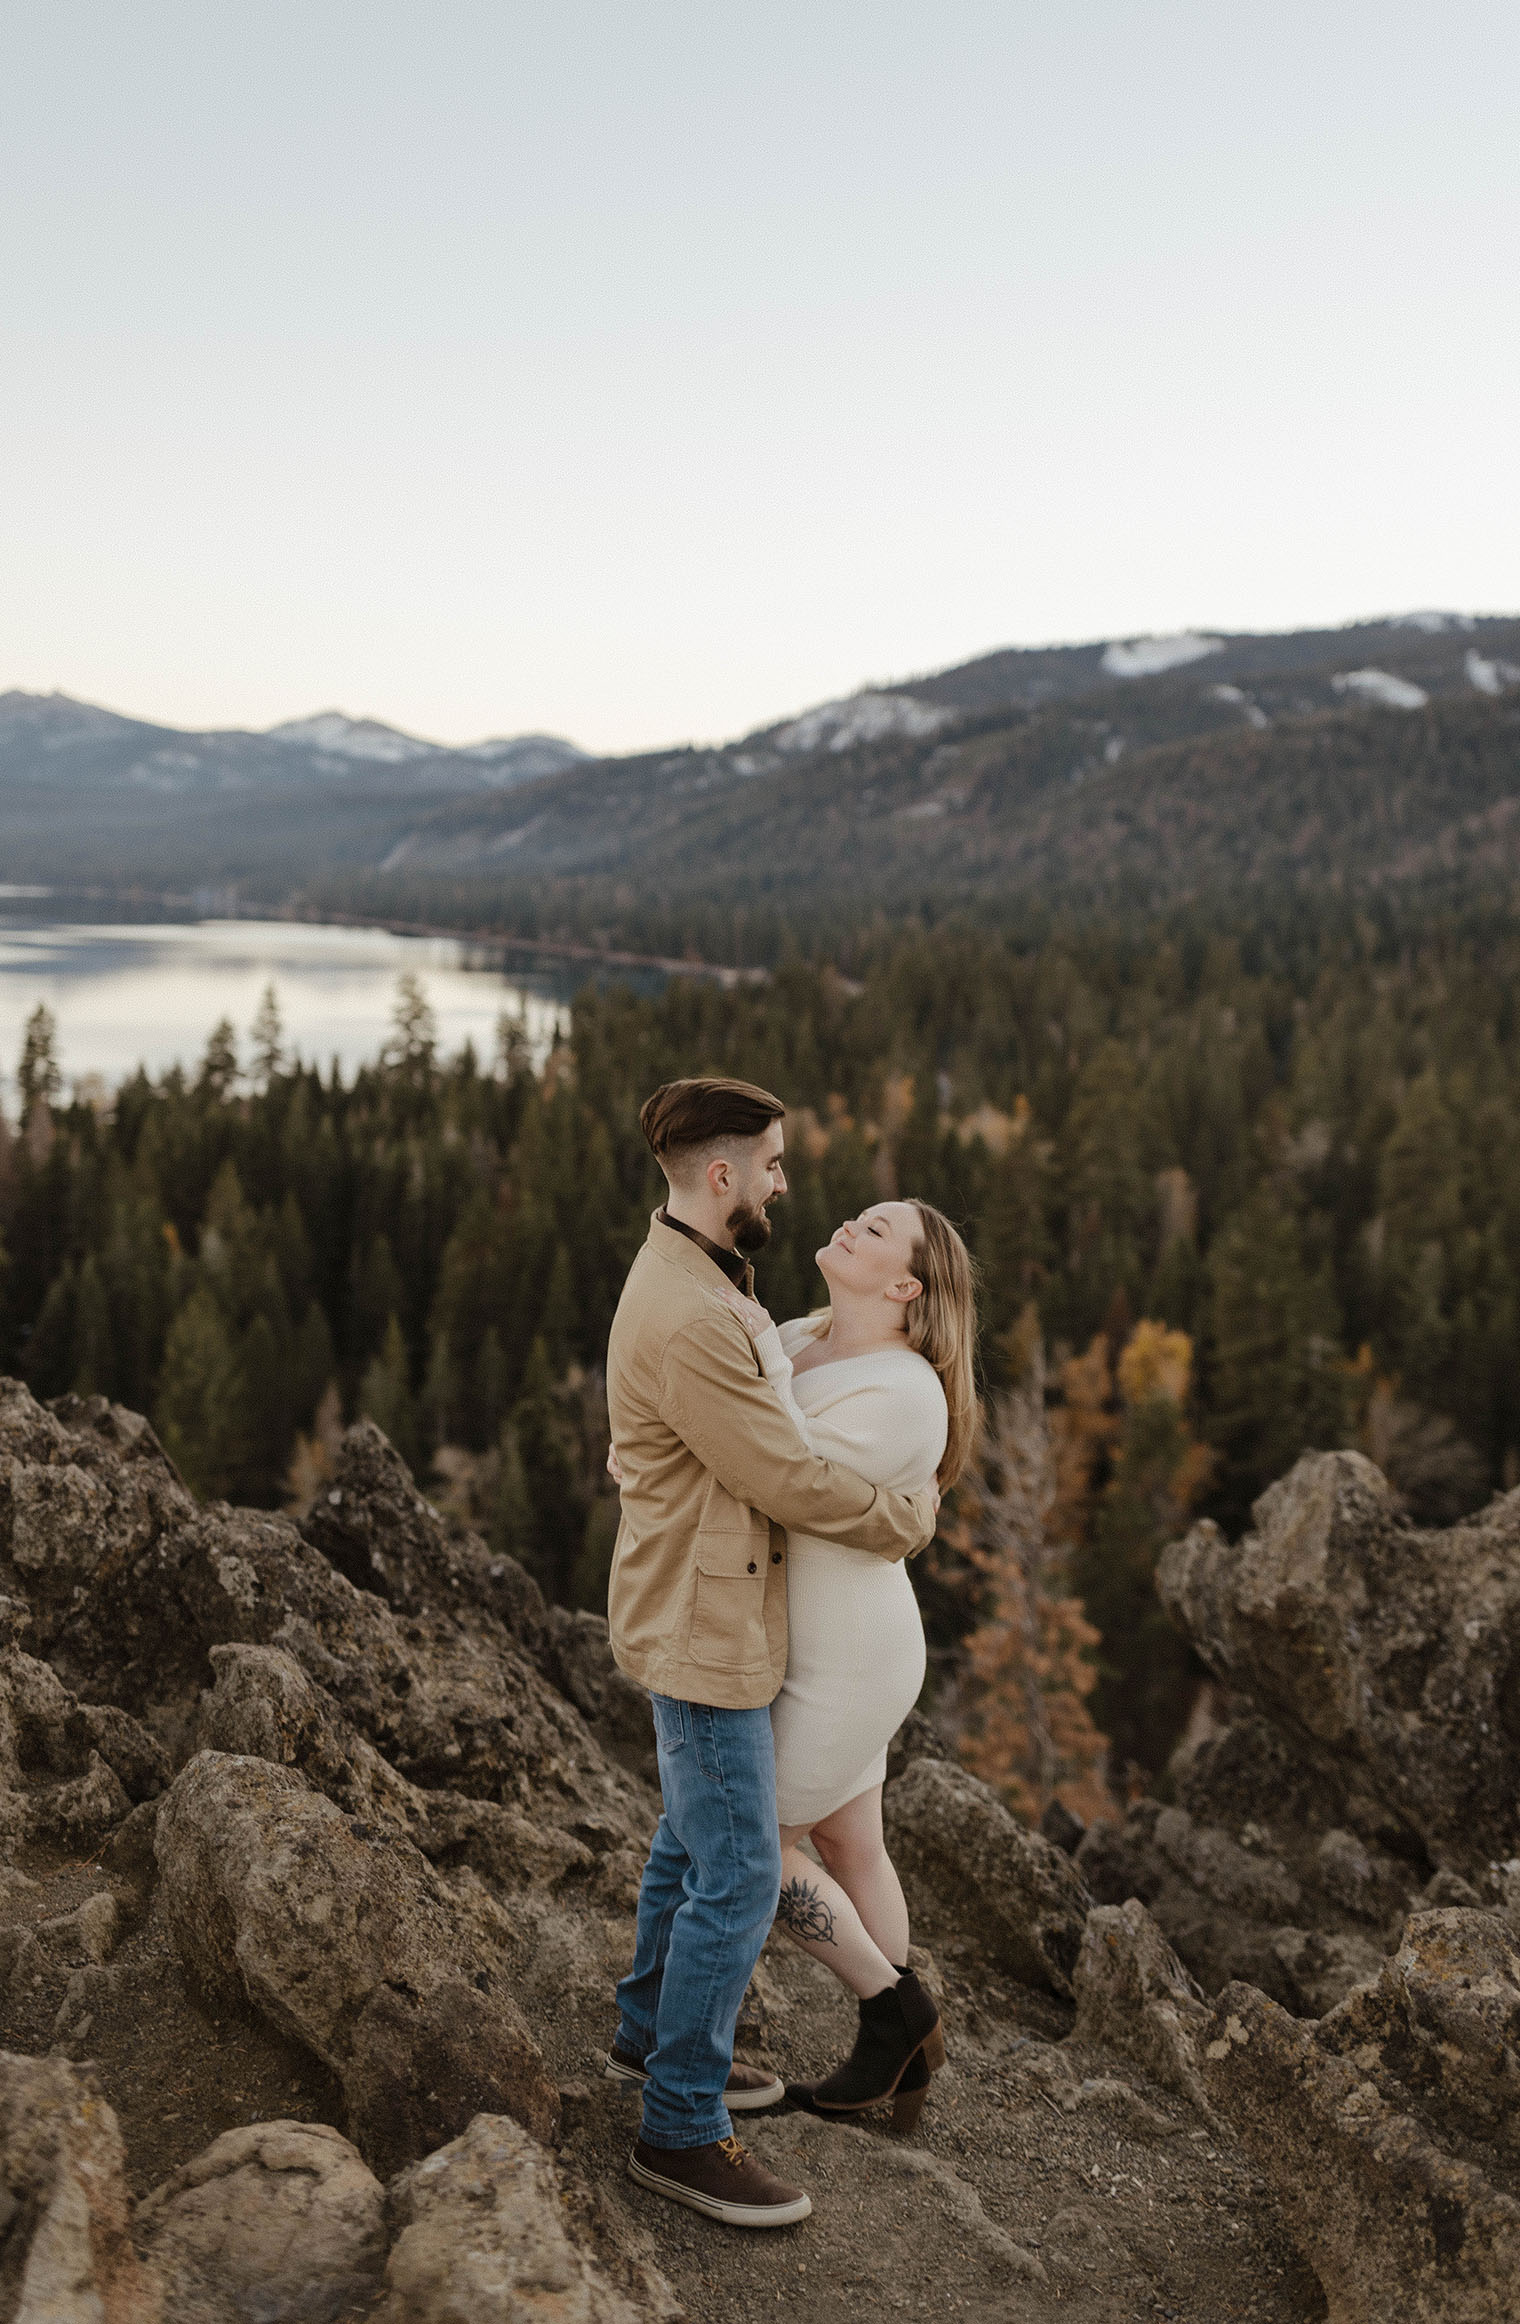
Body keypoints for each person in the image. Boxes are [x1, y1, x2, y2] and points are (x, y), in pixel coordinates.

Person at [604, 1078, 939, 2230]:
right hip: (707, 1626)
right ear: (720, 1176)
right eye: (775, 1165)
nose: (788, 1185)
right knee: (742, 1870)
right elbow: (782, 1473)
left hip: (714, 1605)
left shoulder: (705, 1274)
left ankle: (648, 2036)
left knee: (690, 1841)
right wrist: (906, 1517)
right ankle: (681, 2126)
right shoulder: (698, 1308)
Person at [720, 1198, 975, 2133]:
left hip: (851, 1661)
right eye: (859, 1217)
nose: (851, 1228)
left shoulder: (908, 1393)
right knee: (849, 1844)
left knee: (750, 1851)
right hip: (826, 1643)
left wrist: (755, 1352)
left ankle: (890, 2007)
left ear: (906, 1286)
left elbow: (780, 1463)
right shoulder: (809, 1329)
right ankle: (901, 2062)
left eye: (876, 1230)